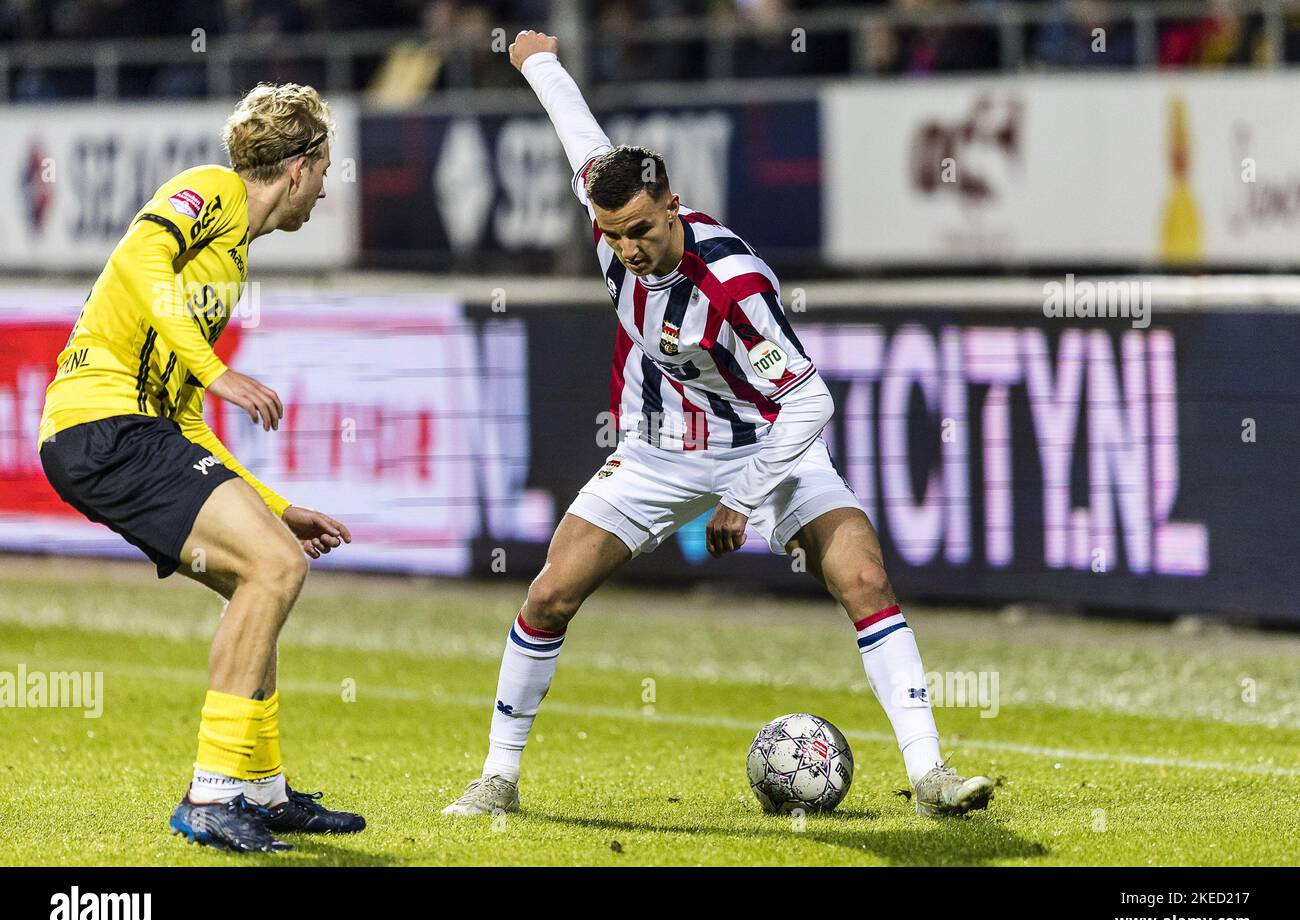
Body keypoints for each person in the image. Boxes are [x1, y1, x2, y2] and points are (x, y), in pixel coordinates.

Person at [444, 32, 995, 820]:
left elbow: (809, 401)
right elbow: (581, 133)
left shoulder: (733, 286)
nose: (628, 249)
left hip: (766, 446)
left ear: (674, 205)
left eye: (642, 229)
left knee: (865, 578)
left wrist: (742, 496)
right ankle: (497, 778)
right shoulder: (612, 213)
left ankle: (932, 776)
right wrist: (538, 60)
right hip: (660, 448)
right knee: (548, 597)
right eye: (612, 234)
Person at [38, 82, 365, 852]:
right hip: (102, 421)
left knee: (262, 571)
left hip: (126, 430)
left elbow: (183, 418)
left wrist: (274, 504)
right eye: (325, 170)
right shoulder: (208, 190)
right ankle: (212, 793)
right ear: (300, 165)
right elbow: (141, 257)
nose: (325, 186)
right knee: (276, 571)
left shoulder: (231, 258)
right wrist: (219, 370)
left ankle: (259, 787)